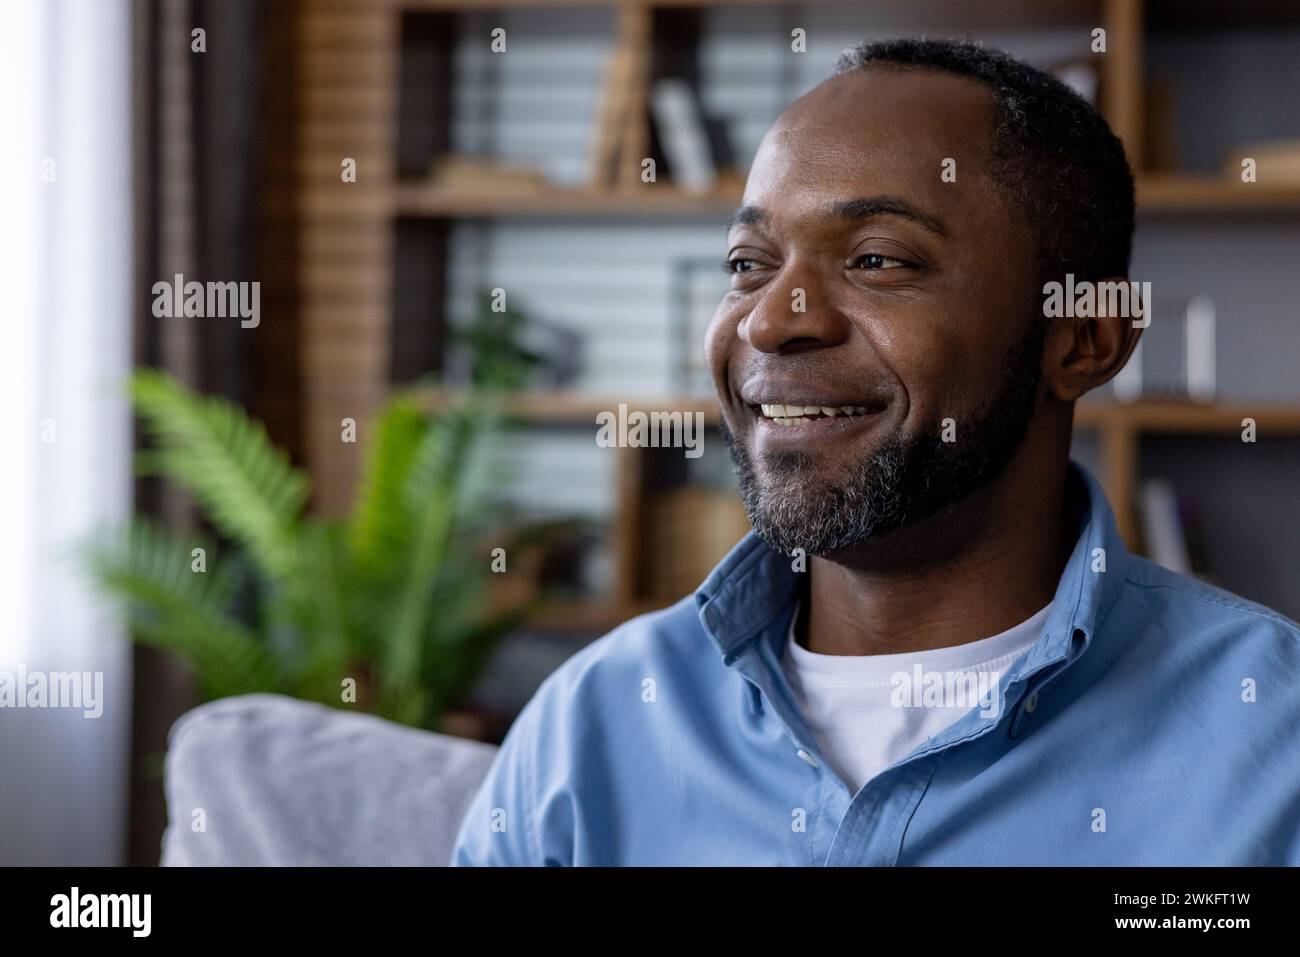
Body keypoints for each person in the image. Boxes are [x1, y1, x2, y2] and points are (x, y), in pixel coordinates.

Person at [451, 38, 1300, 866]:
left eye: (876, 259)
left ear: (1082, 338)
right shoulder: (589, 728)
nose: (771, 321)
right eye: (749, 262)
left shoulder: (1273, 742)